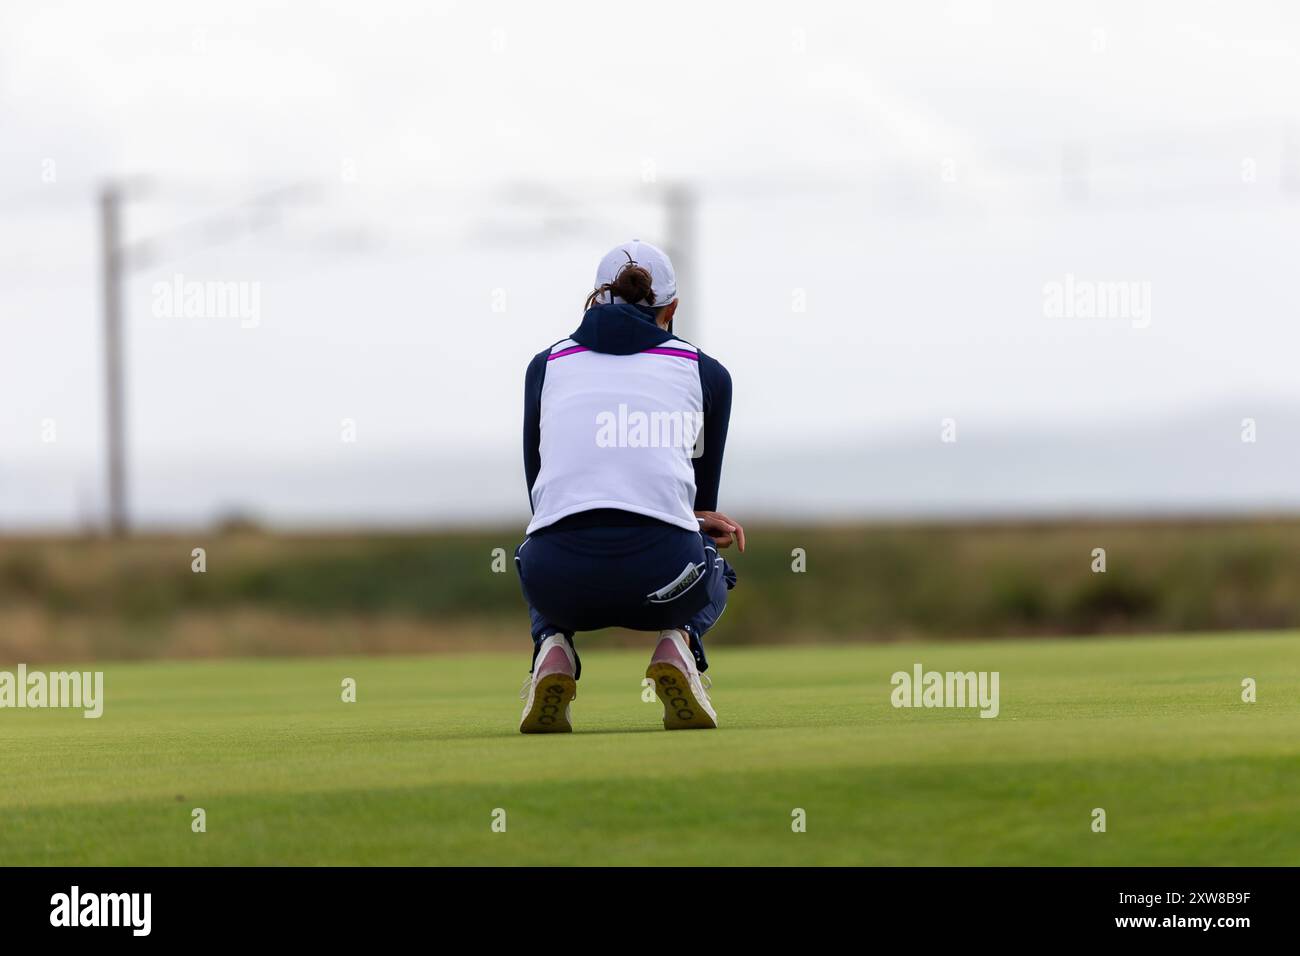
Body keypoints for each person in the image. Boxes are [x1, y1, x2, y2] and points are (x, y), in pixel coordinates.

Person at [515, 239, 743, 734]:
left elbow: (541, 496)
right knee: (715, 565)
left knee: (535, 540)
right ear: (673, 308)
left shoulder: (544, 367)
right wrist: (700, 518)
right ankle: (678, 644)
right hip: (665, 578)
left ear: (597, 298)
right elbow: (701, 506)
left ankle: (552, 649)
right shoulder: (708, 374)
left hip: (557, 580)